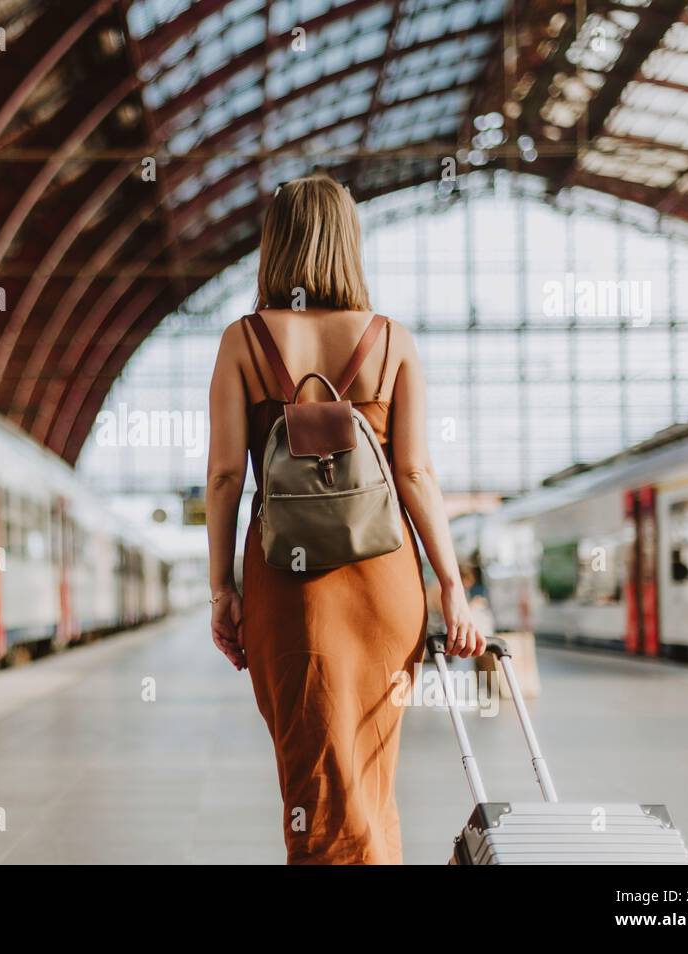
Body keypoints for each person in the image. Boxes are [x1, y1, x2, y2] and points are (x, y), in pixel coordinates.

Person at [204, 173, 486, 864]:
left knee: (315, 784)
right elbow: (416, 474)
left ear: (275, 247)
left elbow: (223, 478)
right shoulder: (392, 341)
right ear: (347, 244)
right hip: (386, 590)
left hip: (289, 590)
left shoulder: (244, 342)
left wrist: (222, 590)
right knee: (366, 780)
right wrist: (451, 585)